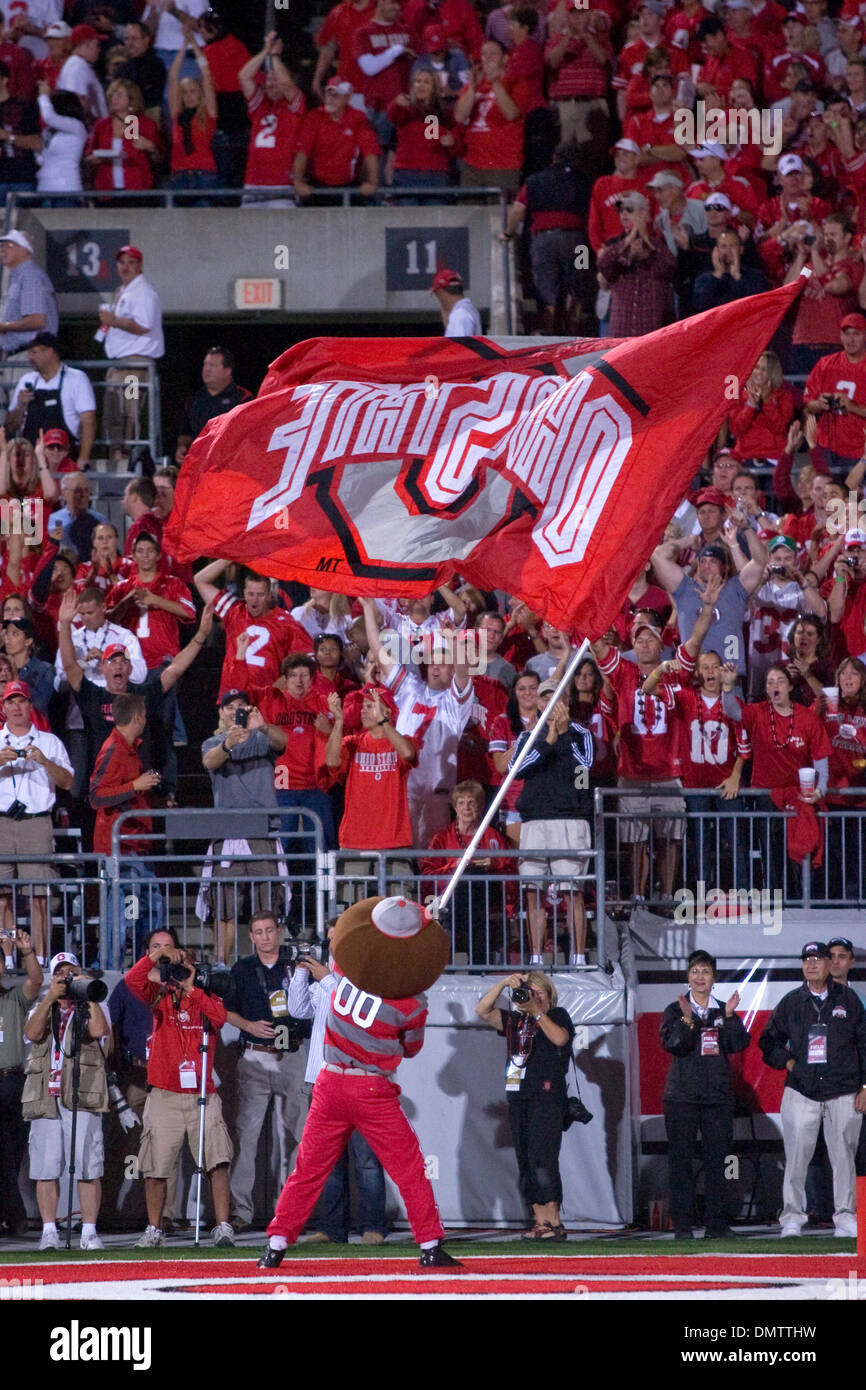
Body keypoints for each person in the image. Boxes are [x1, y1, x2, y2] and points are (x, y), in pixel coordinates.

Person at [257, 894, 460, 1272]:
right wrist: (426, 927)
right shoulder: (410, 1003)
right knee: (408, 1167)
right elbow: (411, 1049)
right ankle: (430, 1245)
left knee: (308, 1170)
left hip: (330, 1083)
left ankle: (275, 1244)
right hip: (371, 1088)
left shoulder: (343, 974)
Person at [125, 938, 234, 1248]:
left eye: (185, 966)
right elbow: (132, 980)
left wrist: (191, 987)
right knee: (156, 1165)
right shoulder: (158, 995)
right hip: (164, 1094)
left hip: (202, 1092)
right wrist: (157, 955)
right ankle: (154, 1229)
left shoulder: (205, 996)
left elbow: (220, 1018)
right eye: (175, 967)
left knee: (217, 1161)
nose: (179, 972)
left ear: (195, 968)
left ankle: (224, 1227)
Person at [285, 916, 389, 1245]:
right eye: (329, 941)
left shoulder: (369, 982)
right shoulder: (324, 982)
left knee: (368, 1160)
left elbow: (353, 1011)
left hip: (359, 1080)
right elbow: (298, 1009)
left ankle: (373, 1226)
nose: (332, 947)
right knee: (327, 1161)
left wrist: (327, 979)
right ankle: (331, 1228)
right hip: (321, 1081)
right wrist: (302, 970)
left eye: (337, 940)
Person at [760, 940, 866, 1238]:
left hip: (843, 1089)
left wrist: (865, 1086)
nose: (811, 964)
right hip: (801, 1089)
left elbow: (864, 1045)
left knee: (844, 1156)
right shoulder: (792, 1001)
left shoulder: (849, 1000)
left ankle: (845, 1217)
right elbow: (768, 1042)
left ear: (827, 965)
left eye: (817, 959)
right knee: (796, 1156)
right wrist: (788, 1061)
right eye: (806, 960)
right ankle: (792, 1217)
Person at [223, 911, 309, 1233]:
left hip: (293, 1054)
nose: (265, 937)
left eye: (269, 930)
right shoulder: (242, 969)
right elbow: (224, 1010)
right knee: (247, 1138)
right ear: (251, 937)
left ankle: (290, 1211)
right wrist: (248, 1026)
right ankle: (241, 1211)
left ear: (279, 932)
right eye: (258, 932)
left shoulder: (296, 965)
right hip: (255, 1058)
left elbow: (313, 1007)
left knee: (300, 1135)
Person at [475, 969, 575, 1239]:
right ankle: (539, 1221)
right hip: (519, 1097)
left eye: (538, 991)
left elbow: (560, 1038)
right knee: (526, 1161)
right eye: (528, 991)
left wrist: (537, 1011)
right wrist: (503, 984)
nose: (531, 996)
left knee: (543, 1159)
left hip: (547, 1097)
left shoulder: (557, 1015)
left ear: (548, 995)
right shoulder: (516, 1022)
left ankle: (554, 1222)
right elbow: (483, 1010)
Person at [23, 951, 110, 1251]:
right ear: (51, 977)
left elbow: (100, 1034)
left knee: (88, 1164)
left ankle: (88, 1231)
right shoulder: (40, 1006)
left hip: (82, 1093)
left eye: (71, 971)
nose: (66, 978)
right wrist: (50, 998)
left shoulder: (94, 1006)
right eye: (60, 973)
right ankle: (49, 1230)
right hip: (46, 1095)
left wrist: (88, 992)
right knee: (46, 1166)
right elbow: (32, 1034)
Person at [660, 950, 750, 1239]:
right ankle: (683, 1226)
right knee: (680, 1161)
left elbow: (738, 1044)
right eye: (695, 971)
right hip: (681, 1097)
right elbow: (674, 1045)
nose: (700, 977)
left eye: (706, 972)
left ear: (714, 978)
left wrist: (730, 1017)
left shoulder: (723, 1009)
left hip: (718, 1098)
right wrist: (687, 1021)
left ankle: (717, 1224)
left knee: (719, 1162)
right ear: (688, 976)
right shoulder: (675, 1010)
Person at [201, 690, 288, 963]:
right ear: (221, 712)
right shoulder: (213, 742)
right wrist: (228, 744)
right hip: (227, 835)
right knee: (224, 908)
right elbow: (209, 761)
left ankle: (271, 966)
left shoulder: (263, 740)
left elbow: (282, 741)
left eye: (241, 706)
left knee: (268, 908)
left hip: (262, 833)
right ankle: (221, 967)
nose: (235, 710)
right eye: (229, 706)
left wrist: (262, 725)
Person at [512, 679, 594, 966]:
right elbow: (517, 769)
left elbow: (585, 767)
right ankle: (535, 957)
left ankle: (578, 957)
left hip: (569, 821)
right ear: (537, 703)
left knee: (572, 891)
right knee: (533, 890)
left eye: (557, 699)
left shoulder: (581, 733)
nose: (551, 705)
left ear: (566, 703)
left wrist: (564, 735)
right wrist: (548, 740)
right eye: (545, 699)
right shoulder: (527, 737)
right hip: (534, 823)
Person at [0, 679, 73, 964]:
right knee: (2, 897)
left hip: (37, 823)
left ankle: (41, 959)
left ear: (31, 705)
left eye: (22, 701)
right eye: (11, 702)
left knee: (39, 896)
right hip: (2, 823)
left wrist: (45, 762)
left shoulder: (50, 742)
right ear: (3, 707)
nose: (17, 707)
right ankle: (7, 959)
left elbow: (68, 782)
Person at [89, 691, 163, 957]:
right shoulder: (113, 748)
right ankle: (111, 972)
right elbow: (96, 795)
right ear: (136, 717)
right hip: (120, 853)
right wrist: (135, 785)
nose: (145, 718)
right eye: (143, 714)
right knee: (120, 918)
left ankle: (147, 969)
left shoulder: (130, 748)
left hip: (138, 848)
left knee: (151, 910)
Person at [194, 560, 313, 693]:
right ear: (244, 593)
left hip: (269, 699)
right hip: (233, 698)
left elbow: (308, 659)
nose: (255, 600)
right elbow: (200, 580)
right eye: (250, 594)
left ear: (269, 595)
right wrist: (229, 557)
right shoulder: (234, 611)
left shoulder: (286, 622)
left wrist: (283, 683)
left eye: (260, 595)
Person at [97, 245, 164, 462]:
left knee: (130, 412)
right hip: (120, 364)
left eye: (131, 262)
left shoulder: (143, 291)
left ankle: (127, 456)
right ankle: (116, 454)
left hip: (135, 366)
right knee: (113, 412)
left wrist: (113, 320)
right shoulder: (125, 290)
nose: (126, 267)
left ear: (140, 266)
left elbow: (143, 325)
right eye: (122, 262)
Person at [0, 927, 42, 1237]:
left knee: (14, 1154)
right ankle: (15, 1216)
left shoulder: (13, 997)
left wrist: (26, 951)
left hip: (14, 1081)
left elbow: (36, 981)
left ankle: (8, 1213)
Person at [7, 331, 96, 466]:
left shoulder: (76, 379)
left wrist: (83, 459)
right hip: (31, 462)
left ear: (49, 352)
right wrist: (19, 406)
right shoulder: (26, 380)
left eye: (34, 352)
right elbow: (11, 427)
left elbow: (88, 421)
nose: (29, 357)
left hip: (65, 459)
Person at [596, 191, 676, 337]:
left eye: (629, 210)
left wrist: (645, 238)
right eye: (621, 211)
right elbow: (603, 264)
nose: (623, 214)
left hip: (651, 330)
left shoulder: (660, 244)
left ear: (645, 214)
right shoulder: (615, 244)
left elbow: (669, 266)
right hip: (621, 328)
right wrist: (631, 237)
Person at [293, 78, 379, 202]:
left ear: (347, 98)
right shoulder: (314, 117)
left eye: (337, 95)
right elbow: (302, 151)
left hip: (350, 185)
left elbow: (370, 152)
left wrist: (372, 182)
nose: (331, 98)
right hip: (317, 185)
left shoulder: (358, 118)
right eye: (329, 93)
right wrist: (298, 182)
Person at [84, 78, 161, 194]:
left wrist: (150, 147)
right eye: (112, 95)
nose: (114, 98)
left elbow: (159, 159)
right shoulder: (101, 125)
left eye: (119, 95)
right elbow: (88, 155)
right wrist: (92, 159)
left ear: (131, 99)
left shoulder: (146, 124)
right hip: (107, 190)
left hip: (137, 190)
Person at [174, 346, 251, 463]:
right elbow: (185, 433)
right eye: (205, 365)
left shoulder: (243, 399)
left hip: (231, 465)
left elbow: (250, 436)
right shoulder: (194, 399)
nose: (207, 369)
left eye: (213, 366)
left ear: (227, 371)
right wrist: (182, 448)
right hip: (199, 465)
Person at [167, 29, 217, 198]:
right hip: (179, 175)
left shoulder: (208, 113)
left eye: (193, 91)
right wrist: (183, 47)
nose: (188, 95)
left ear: (200, 93)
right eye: (185, 92)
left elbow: (207, 74)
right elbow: (173, 77)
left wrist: (194, 45)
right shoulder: (177, 114)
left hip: (203, 175)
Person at [0, 230, 58, 371]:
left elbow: (37, 320)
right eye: (2, 245)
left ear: (25, 250)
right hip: (17, 355)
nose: (2, 249)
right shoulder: (17, 276)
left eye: (10, 245)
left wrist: (5, 327)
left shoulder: (29, 275)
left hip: (29, 356)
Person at [35, 85, 87, 196]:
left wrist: (43, 96)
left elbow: (49, 116)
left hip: (67, 189)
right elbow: (42, 158)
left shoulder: (76, 126)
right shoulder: (48, 131)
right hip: (44, 189)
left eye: (51, 103)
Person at [117, 20, 165, 123]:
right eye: (126, 39)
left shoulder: (155, 66)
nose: (130, 43)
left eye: (134, 39)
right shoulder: (124, 68)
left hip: (147, 117)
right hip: (127, 116)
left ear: (146, 39)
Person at [57, 23, 107, 122]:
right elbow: (76, 103)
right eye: (96, 45)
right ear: (86, 45)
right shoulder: (77, 67)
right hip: (84, 129)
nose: (99, 50)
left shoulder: (79, 64)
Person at [429, 265, 481, 336]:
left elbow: (459, 346)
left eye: (436, 294)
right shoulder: (467, 310)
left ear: (440, 292)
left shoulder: (459, 314)